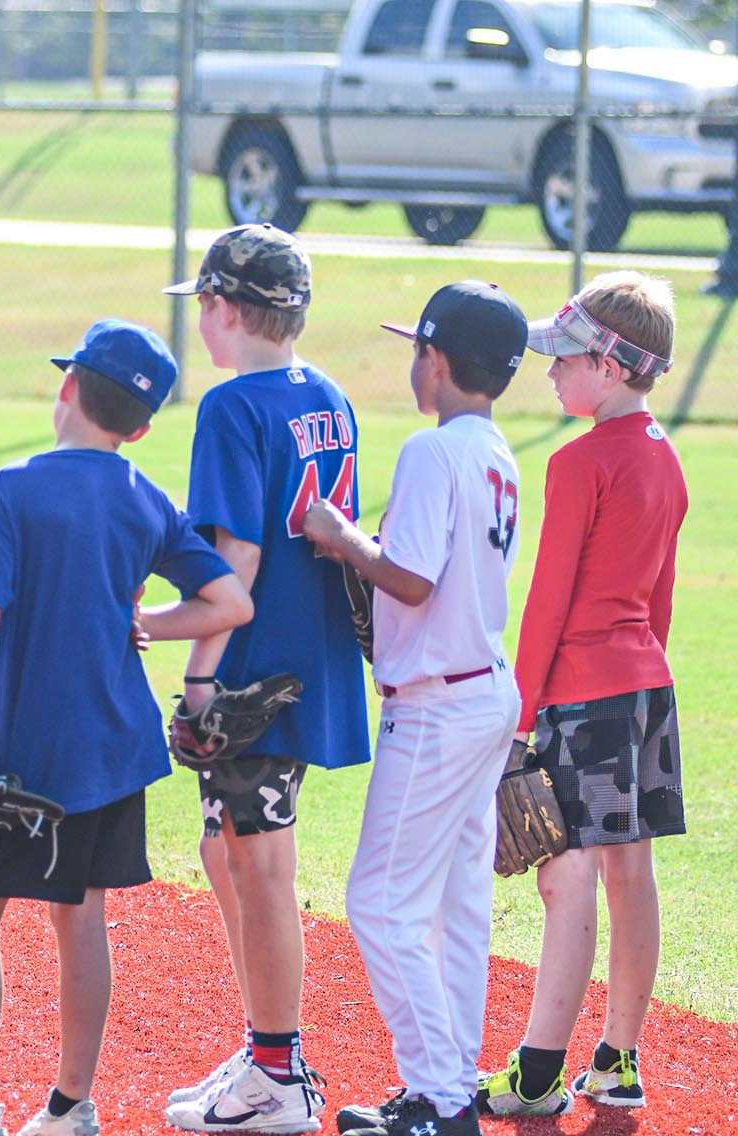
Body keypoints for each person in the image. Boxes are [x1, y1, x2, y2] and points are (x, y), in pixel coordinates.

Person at [0, 319, 254, 1136]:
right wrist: (148, 625)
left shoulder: (16, 488)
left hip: (41, 755)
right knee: (81, 914)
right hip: (117, 747)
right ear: (141, 426)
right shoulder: (144, 498)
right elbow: (232, 602)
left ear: (67, 389)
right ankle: (70, 1105)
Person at [302, 280, 528, 1136]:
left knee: (381, 903)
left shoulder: (435, 452)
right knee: (456, 908)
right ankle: (444, 1083)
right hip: (482, 693)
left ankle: (441, 1098)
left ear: (434, 360)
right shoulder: (496, 449)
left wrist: (339, 536)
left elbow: (412, 577)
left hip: (436, 705)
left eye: (416, 349)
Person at [159, 225, 369, 1135]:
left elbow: (234, 555)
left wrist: (196, 674)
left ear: (226, 309)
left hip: (257, 669)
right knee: (228, 851)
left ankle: (279, 1072)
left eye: (205, 302)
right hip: (307, 654)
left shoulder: (230, 406)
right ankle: (265, 1051)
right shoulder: (327, 393)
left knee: (263, 863)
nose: (202, 319)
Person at [475, 272, 687, 1118]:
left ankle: (535, 1076)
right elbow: (660, 600)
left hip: (581, 698)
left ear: (609, 365)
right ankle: (619, 1058)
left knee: (566, 883)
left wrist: (517, 727)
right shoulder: (665, 456)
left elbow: (547, 606)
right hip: (645, 690)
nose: (550, 372)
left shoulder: (576, 463)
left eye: (563, 358)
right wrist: (638, 678)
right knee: (632, 875)